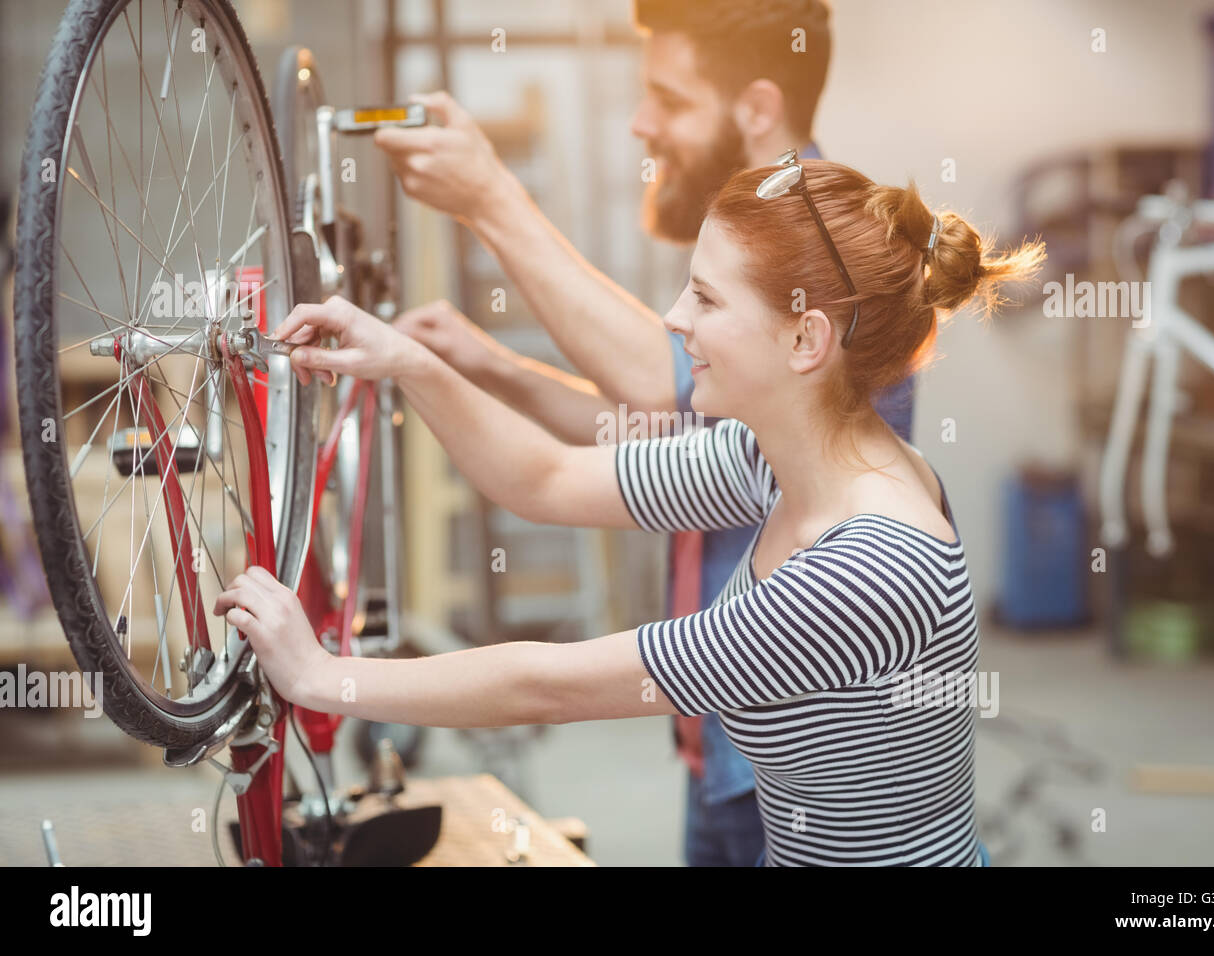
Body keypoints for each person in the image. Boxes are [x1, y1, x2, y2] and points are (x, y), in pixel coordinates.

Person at [215, 159, 1043, 866]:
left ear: (805, 342)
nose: (676, 320)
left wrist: (323, 677)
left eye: (708, 301)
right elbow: (544, 478)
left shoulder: (866, 568)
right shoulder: (773, 460)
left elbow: (549, 687)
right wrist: (409, 364)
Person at [375, 0, 915, 866]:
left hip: (779, 751)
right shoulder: (755, 298)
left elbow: (652, 383)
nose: (640, 123)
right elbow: (631, 441)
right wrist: (481, 369)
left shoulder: (826, 269)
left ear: (756, 110)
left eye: (668, 96)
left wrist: (491, 199)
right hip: (724, 737)